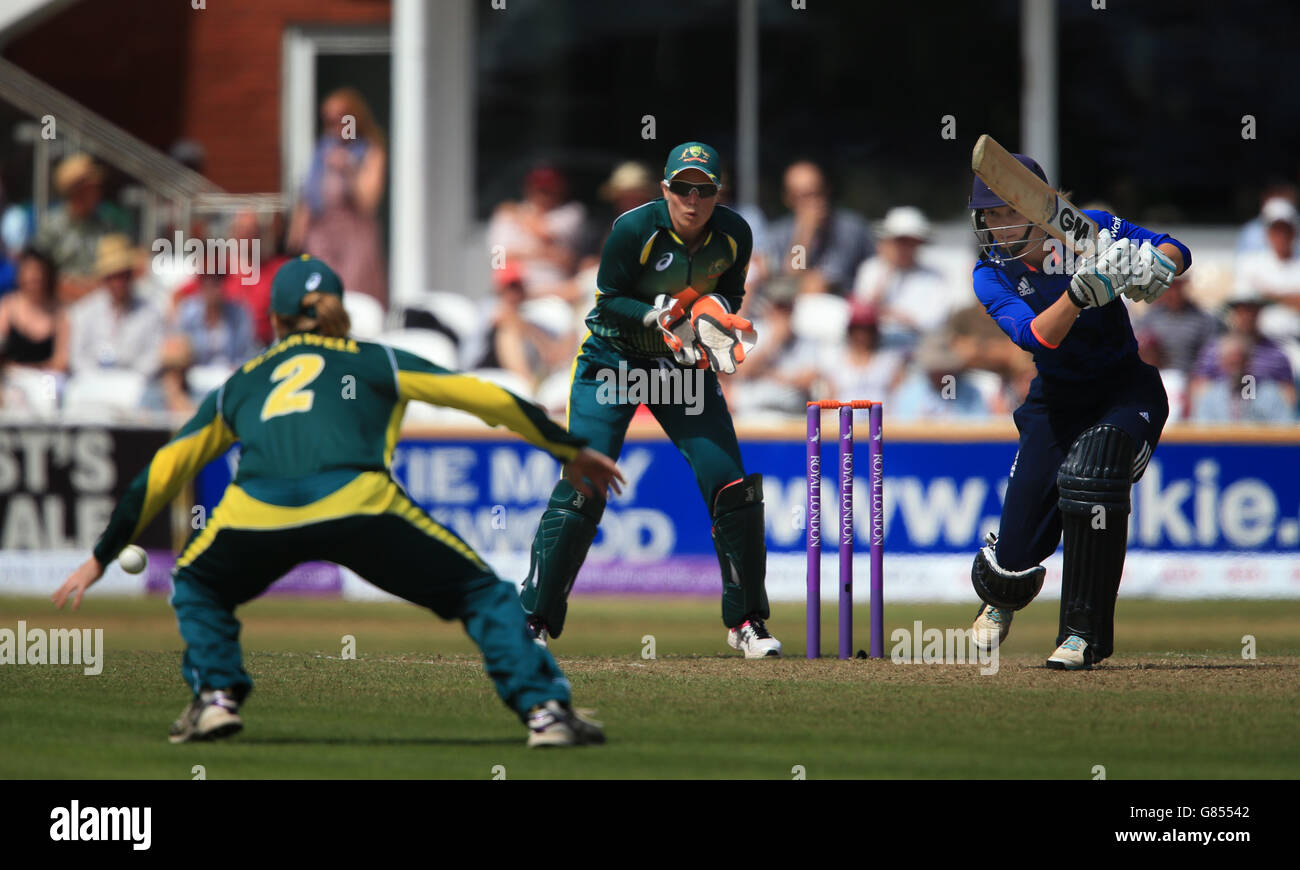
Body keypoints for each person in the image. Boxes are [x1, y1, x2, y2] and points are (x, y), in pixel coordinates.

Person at [52, 255, 623, 748]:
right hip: (361, 506)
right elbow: (479, 395)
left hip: (256, 513)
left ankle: (216, 697)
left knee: (198, 583)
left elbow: (165, 468)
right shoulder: (375, 359)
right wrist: (567, 448)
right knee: (481, 594)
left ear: (272, 319)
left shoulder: (243, 380)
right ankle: (545, 713)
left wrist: (103, 553)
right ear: (340, 309)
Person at [518, 141, 780, 657]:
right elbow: (607, 301)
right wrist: (658, 316)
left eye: (704, 190)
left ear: (716, 194)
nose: (692, 198)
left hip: (679, 369)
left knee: (730, 485)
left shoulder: (735, 235)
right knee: (584, 482)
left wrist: (713, 316)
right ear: (665, 189)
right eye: (682, 187)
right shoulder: (634, 229)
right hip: (612, 364)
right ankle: (532, 622)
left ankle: (746, 621)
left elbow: (731, 293)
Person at [966, 152, 1190, 670]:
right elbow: (1036, 337)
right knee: (1013, 561)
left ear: (1036, 209)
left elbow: (1175, 248)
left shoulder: (1095, 231)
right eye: (989, 217)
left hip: (1124, 391)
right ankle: (1000, 597)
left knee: (1094, 476)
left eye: (1006, 213)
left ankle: (1080, 635)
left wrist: (1157, 266)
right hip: (1055, 405)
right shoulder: (990, 277)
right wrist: (1079, 293)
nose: (997, 228)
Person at [287, 88, 388, 306]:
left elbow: (368, 203)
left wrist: (349, 169)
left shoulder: (369, 151)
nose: (335, 126)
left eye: (341, 119)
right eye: (329, 120)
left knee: (352, 300)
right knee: (321, 298)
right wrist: (294, 240)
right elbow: (307, 198)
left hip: (355, 241)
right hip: (322, 239)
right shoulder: (321, 151)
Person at [851, 206, 957, 351]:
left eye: (909, 242)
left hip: (917, 348)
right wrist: (887, 271)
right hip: (875, 346)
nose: (903, 248)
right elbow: (863, 312)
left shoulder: (934, 277)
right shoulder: (871, 269)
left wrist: (894, 315)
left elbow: (933, 322)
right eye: (899, 241)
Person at [764, 160, 874, 298]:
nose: (815, 201)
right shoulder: (778, 234)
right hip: (797, 307)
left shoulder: (852, 228)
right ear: (789, 200)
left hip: (844, 305)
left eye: (819, 192)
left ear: (828, 190)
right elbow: (790, 281)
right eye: (805, 196)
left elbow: (870, 272)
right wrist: (804, 234)